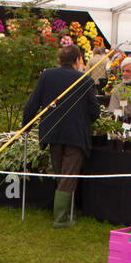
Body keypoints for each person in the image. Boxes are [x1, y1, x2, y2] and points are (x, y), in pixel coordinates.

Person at [23, 44, 103, 229]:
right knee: (68, 176)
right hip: (75, 135)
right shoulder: (84, 79)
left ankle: (66, 211)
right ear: (77, 60)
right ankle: (60, 218)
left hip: (52, 133)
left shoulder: (46, 75)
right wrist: (85, 120)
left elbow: (33, 103)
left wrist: (25, 125)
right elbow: (95, 111)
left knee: (61, 173)